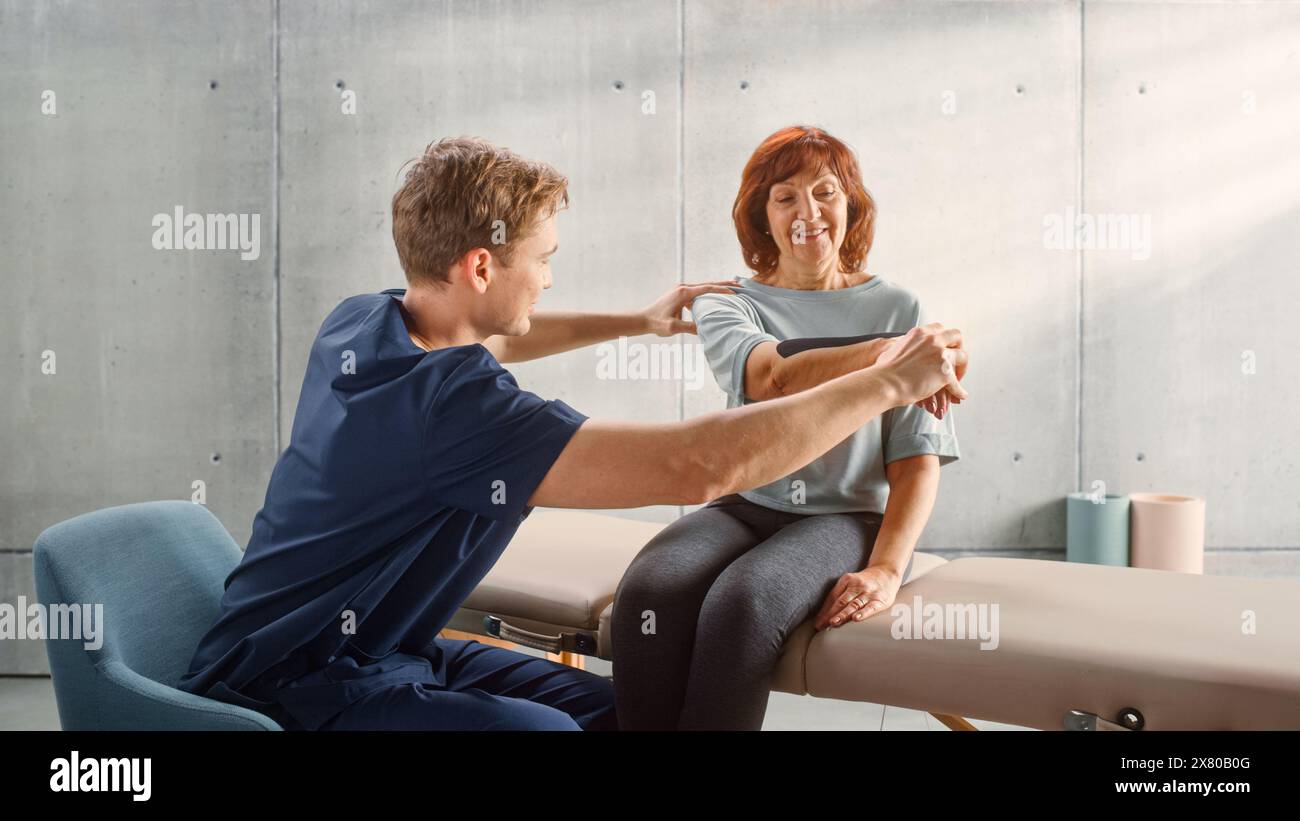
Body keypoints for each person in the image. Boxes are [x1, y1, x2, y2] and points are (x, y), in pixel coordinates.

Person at [177, 135, 968, 731]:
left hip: (383, 643)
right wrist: (894, 379)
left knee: (622, 714)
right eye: (544, 258)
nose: (551, 275)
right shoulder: (461, 411)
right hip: (296, 684)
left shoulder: (366, 320)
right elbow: (697, 465)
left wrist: (639, 320)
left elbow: (500, 335)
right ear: (483, 268)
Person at [612, 125, 962, 730]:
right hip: (745, 503)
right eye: (785, 197)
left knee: (742, 605)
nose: (809, 212)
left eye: (826, 192)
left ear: (851, 204)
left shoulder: (902, 307)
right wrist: (891, 356)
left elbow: (914, 460)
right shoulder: (727, 301)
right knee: (648, 591)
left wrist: (885, 569)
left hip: (844, 519)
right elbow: (771, 376)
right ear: (761, 217)